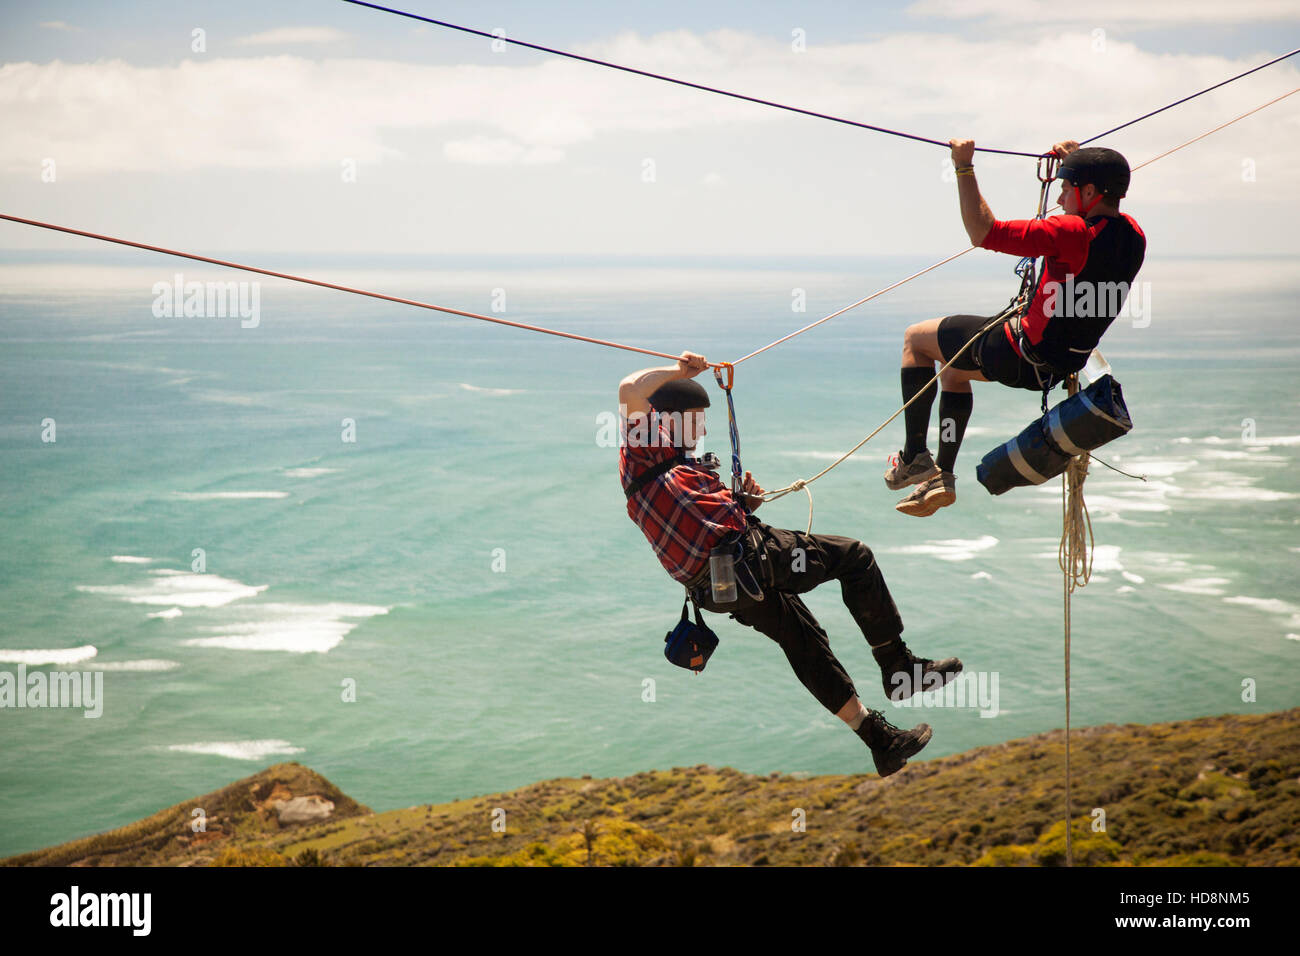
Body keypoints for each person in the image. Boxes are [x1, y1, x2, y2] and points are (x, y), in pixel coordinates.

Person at [617, 351, 963, 776]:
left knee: (804, 640)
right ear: (666, 420)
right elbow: (628, 389)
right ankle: (898, 667)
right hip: (750, 560)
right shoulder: (644, 453)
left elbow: (699, 520)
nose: (703, 428)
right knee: (855, 558)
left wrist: (746, 503)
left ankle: (880, 741)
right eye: (695, 418)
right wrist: (680, 372)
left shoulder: (673, 470)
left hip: (722, 589)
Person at [886, 137, 1147, 517]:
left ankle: (913, 457)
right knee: (954, 372)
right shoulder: (1134, 235)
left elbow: (982, 231)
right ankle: (940, 474)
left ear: (1089, 191)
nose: (1059, 200)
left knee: (916, 340)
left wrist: (963, 166)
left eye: (1066, 189)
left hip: (1017, 352)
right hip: (1054, 367)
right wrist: (1074, 161)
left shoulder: (1071, 232)